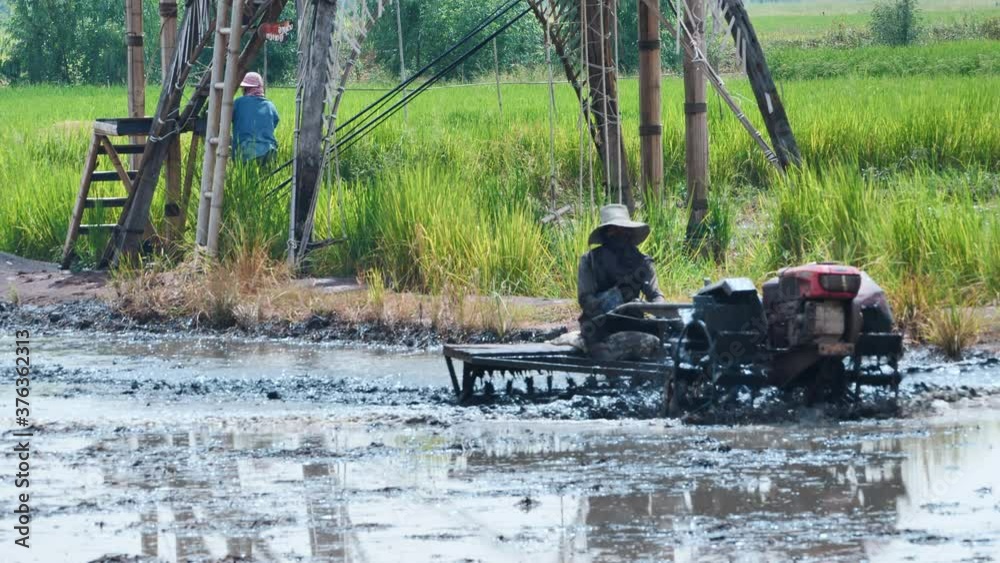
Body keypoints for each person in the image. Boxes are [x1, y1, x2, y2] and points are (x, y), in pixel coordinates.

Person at [577, 204, 666, 361]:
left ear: (630, 233)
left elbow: (656, 296)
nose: (620, 234)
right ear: (605, 234)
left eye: (624, 229)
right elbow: (585, 298)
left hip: (633, 322)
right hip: (601, 326)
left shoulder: (643, 262)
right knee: (602, 354)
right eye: (614, 230)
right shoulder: (589, 261)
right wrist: (611, 303)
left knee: (665, 342)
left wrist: (651, 308)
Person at [231, 71, 280, 166]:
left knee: (246, 178)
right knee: (266, 178)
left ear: (246, 89)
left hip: (246, 150)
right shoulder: (270, 105)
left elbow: (227, 119)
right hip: (269, 149)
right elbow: (275, 121)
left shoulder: (238, 103)